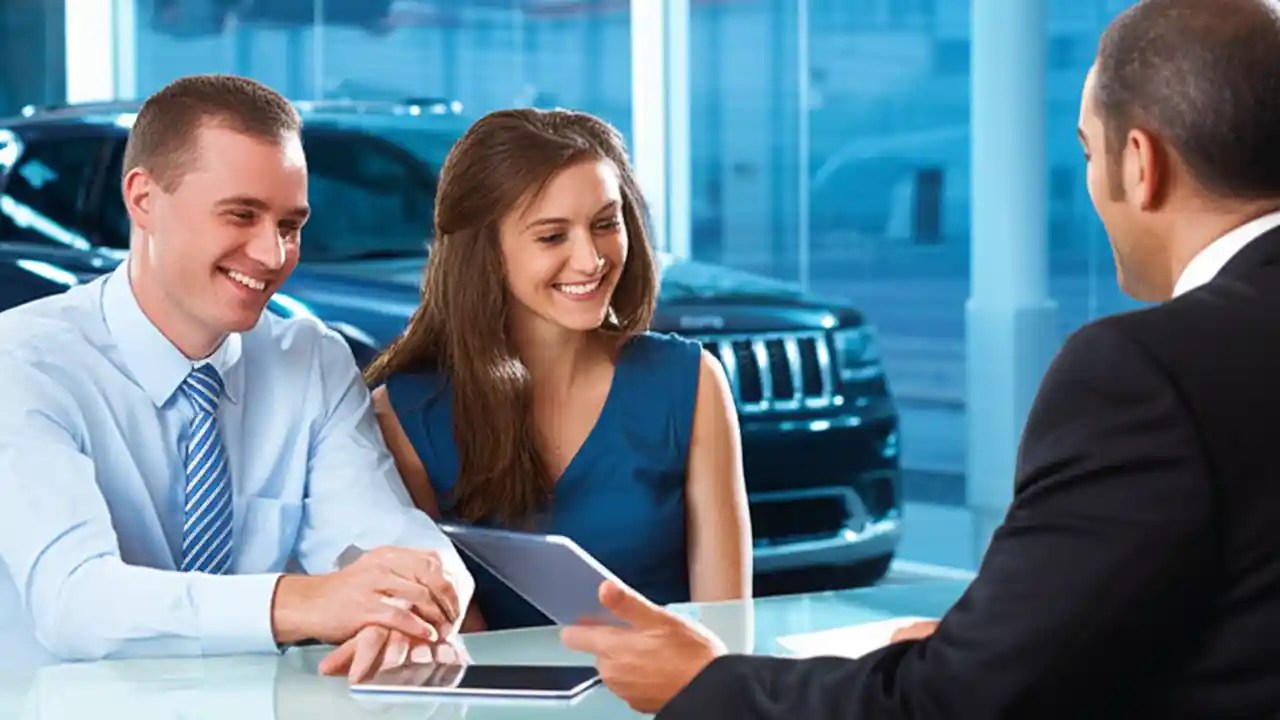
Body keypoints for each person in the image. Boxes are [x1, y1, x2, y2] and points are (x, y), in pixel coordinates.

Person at [560, 0, 1280, 716]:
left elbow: (951, 704)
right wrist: (1008, 639)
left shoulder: (1143, 373)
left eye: (1088, 152)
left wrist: (705, 685)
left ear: (1140, 161)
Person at [0, 74, 473, 673]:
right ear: (144, 199)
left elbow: (380, 534)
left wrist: (427, 590)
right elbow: (74, 601)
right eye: (241, 215)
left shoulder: (310, 359)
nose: (273, 256)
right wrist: (299, 602)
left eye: (290, 225)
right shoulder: (21, 364)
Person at [364, 108, 752, 633]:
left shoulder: (691, 383)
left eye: (605, 224)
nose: (591, 259)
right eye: (552, 237)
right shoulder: (406, 415)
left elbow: (726, 632)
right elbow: (456, 653)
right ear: (486, 252)